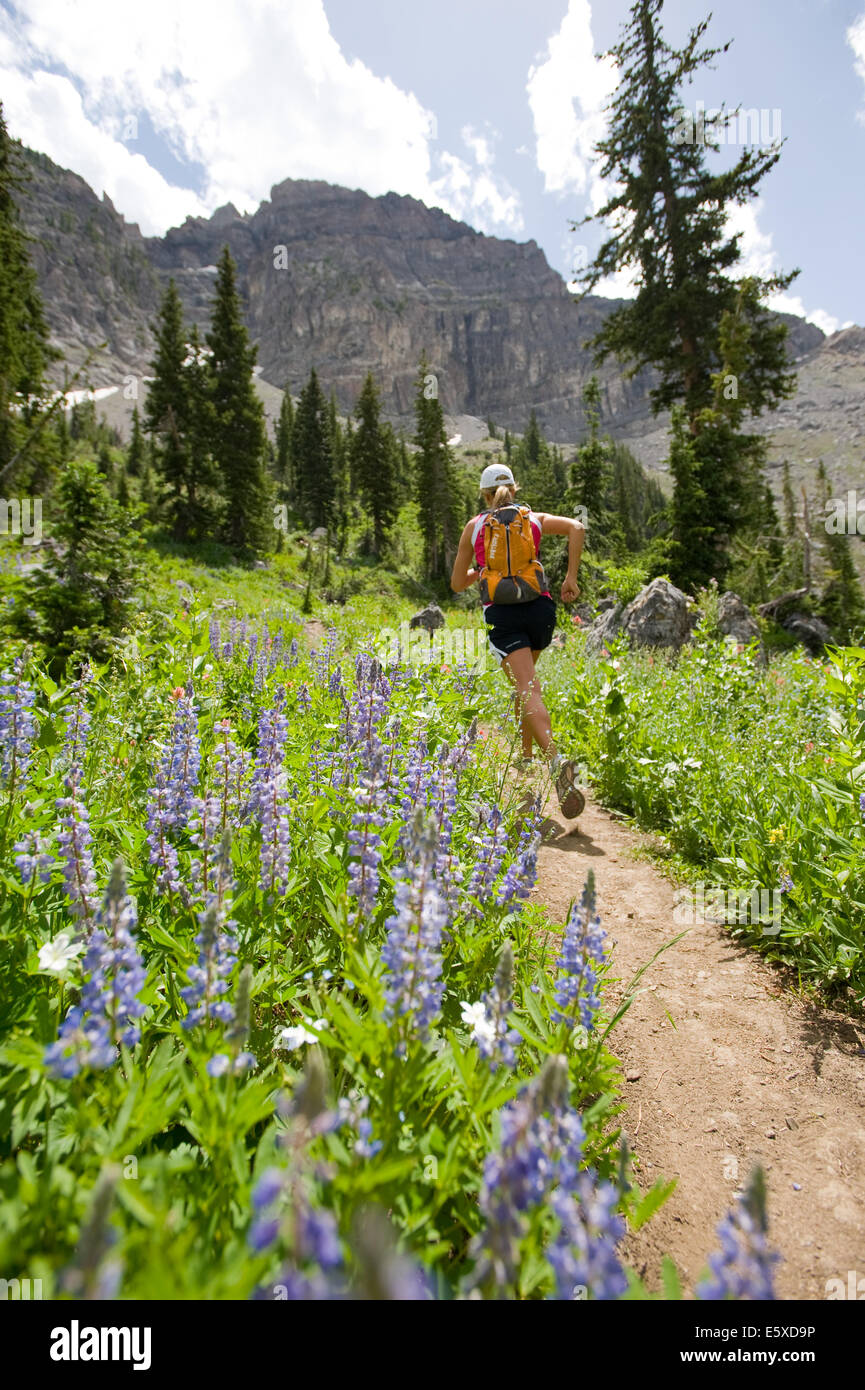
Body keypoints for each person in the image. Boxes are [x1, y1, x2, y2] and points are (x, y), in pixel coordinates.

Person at [450, 461, 586, 818]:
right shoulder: (533, 519)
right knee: (525, 687)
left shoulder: (475, 527)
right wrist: (570, 578)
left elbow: (455, 583)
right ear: (514, 489)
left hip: (503, 614)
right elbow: (576, 527)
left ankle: (557, 763)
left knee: (528, 689)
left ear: (483, 494)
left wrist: (481, 570)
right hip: (540, 609)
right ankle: (526, 759)